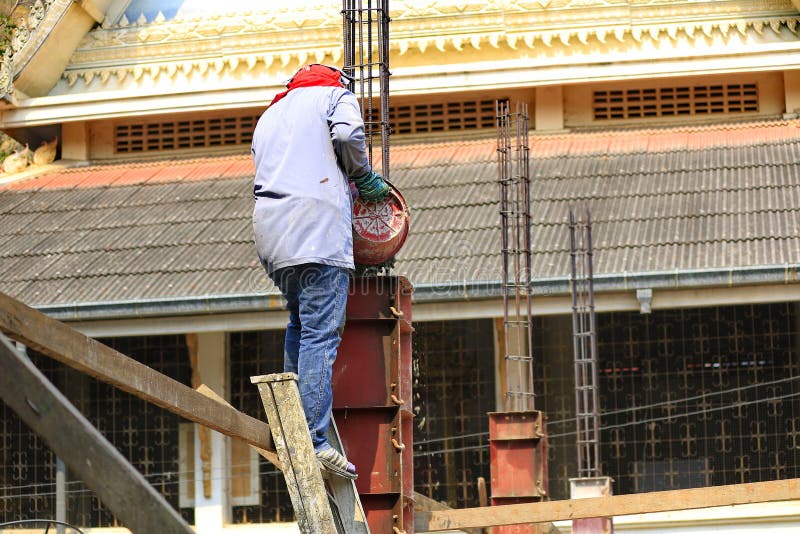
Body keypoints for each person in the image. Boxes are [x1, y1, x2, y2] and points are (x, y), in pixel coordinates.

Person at [251, 64, 389, 479]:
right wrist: (363, 177)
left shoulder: (269, 114)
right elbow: (347, 136)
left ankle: (294, 425)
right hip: (318, 231)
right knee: (320, 335)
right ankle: (312, 438)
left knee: (298, 323)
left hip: (273, 236)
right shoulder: (335, 97)